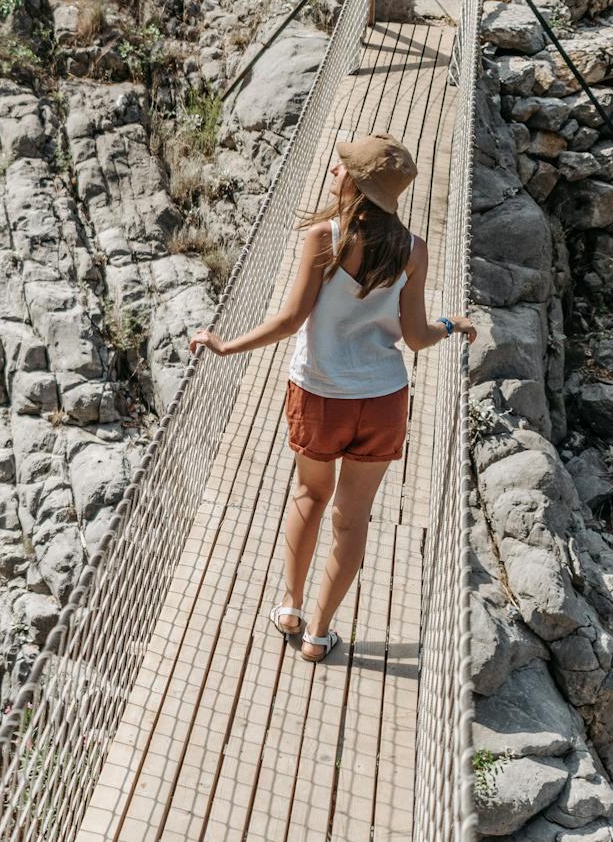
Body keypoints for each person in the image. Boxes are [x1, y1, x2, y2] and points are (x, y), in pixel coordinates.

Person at [187, 133, 477, 663]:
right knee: (353, 515)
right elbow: (414, 338)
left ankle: (291, 608)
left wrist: (227, 345)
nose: (334, 171)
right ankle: (319, 634)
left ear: (359, 187)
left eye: (343, 168)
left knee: (309, 496)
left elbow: (290, 320)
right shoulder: (414, 250)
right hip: (384, 398)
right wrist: (448, 324)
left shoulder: (326, 237)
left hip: (320, 394)